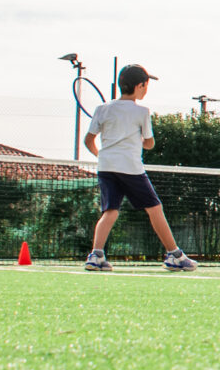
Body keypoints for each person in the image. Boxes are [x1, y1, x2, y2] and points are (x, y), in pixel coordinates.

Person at [83, 65, 197, 272]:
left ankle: (96, 255)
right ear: (139, 85)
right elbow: (150, 143)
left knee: (110, 212)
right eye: (146, 86)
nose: (146, 90)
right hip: (131, 168)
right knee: (155, 209)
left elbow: (88, 141)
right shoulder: (142, 112)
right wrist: (140, 141)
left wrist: (101, 155)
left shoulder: (102, 109)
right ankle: (175, 255)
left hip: (106, 168)